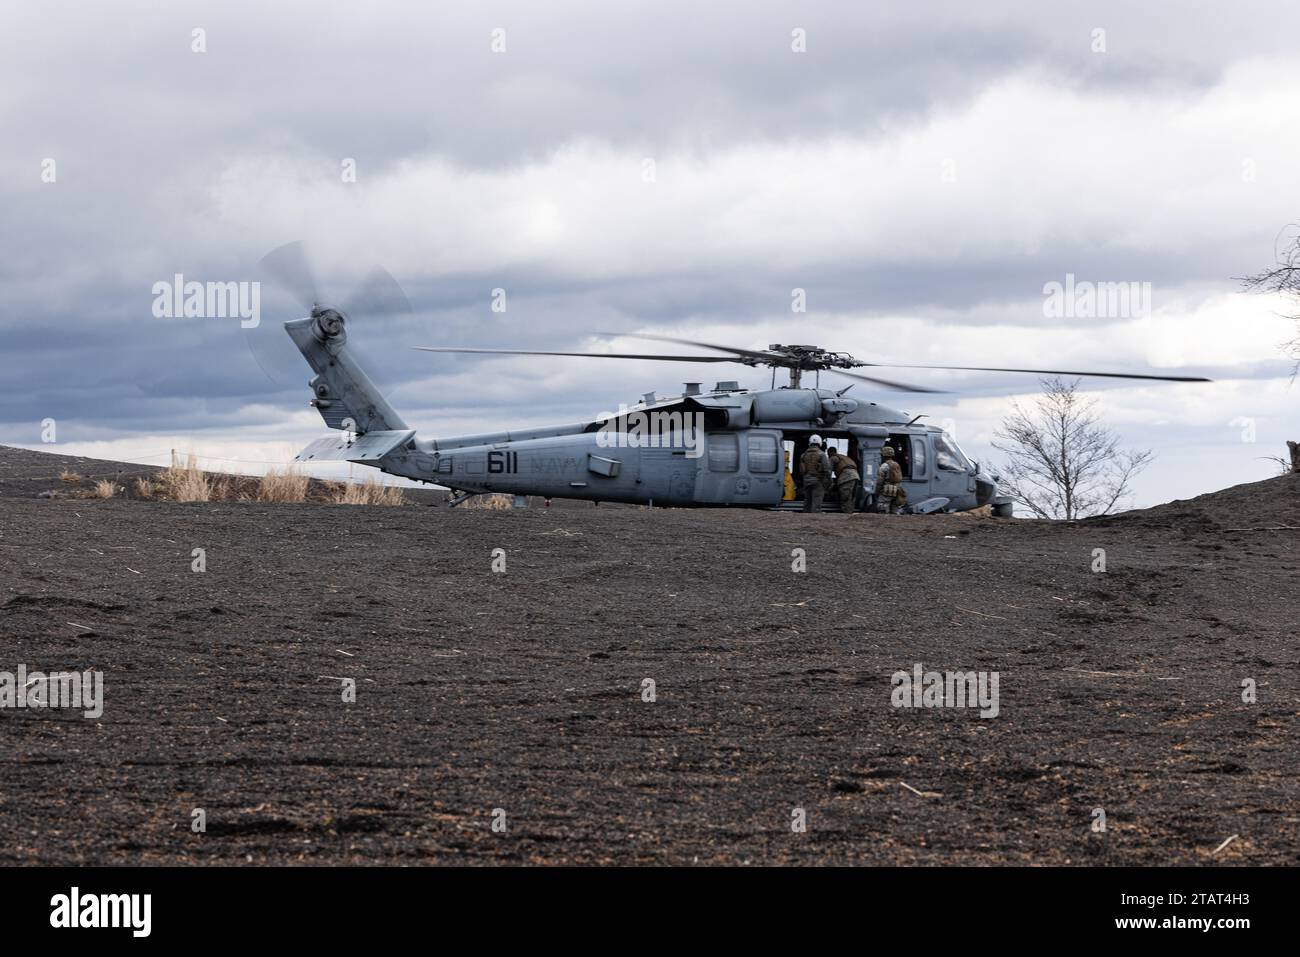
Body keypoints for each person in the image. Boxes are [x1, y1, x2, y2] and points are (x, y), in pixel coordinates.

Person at [800, 437, 832, 512]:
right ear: (820, 443)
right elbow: (826, 469)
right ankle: (814, 520)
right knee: (816, 503)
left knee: (807, 502)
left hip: (806, 480)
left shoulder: (803, 455)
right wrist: (829, 481)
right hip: (818, 481)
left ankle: (804, 520)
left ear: (810, 443)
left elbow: (802, 469)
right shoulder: (821, 454)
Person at [875, 446, 908, 514]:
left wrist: (877, 491)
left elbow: (879, 481)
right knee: (895, 510)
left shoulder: (884, 466)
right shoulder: (896, 464)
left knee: (882, 508)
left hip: (887, 490)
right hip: (898, 489)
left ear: (883, 455)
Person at [829, 448, 862, 513]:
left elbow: (828, 470)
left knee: (845, 498)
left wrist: (829, 483)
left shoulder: (833, 458)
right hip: (855, 476)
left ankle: (846, 516)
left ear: (829, 453)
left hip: (846, 477)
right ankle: (850, 514)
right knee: (851, 499)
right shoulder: (844, 458)